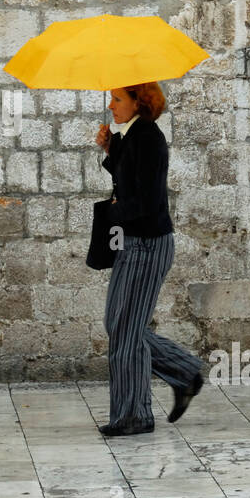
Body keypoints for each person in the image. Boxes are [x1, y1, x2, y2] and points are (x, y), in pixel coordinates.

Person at [95, 82, 205, 437]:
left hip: (147, 244)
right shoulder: (132, 135)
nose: (111, 106)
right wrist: (110, 149)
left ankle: (134, 416)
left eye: (117, 99)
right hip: (134, 243)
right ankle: (185, 371)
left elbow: (144, 199)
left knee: (125, 331)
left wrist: (116, 210)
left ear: (137, 102)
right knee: (119, 325)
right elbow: (128, 179)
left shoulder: (148, 137)